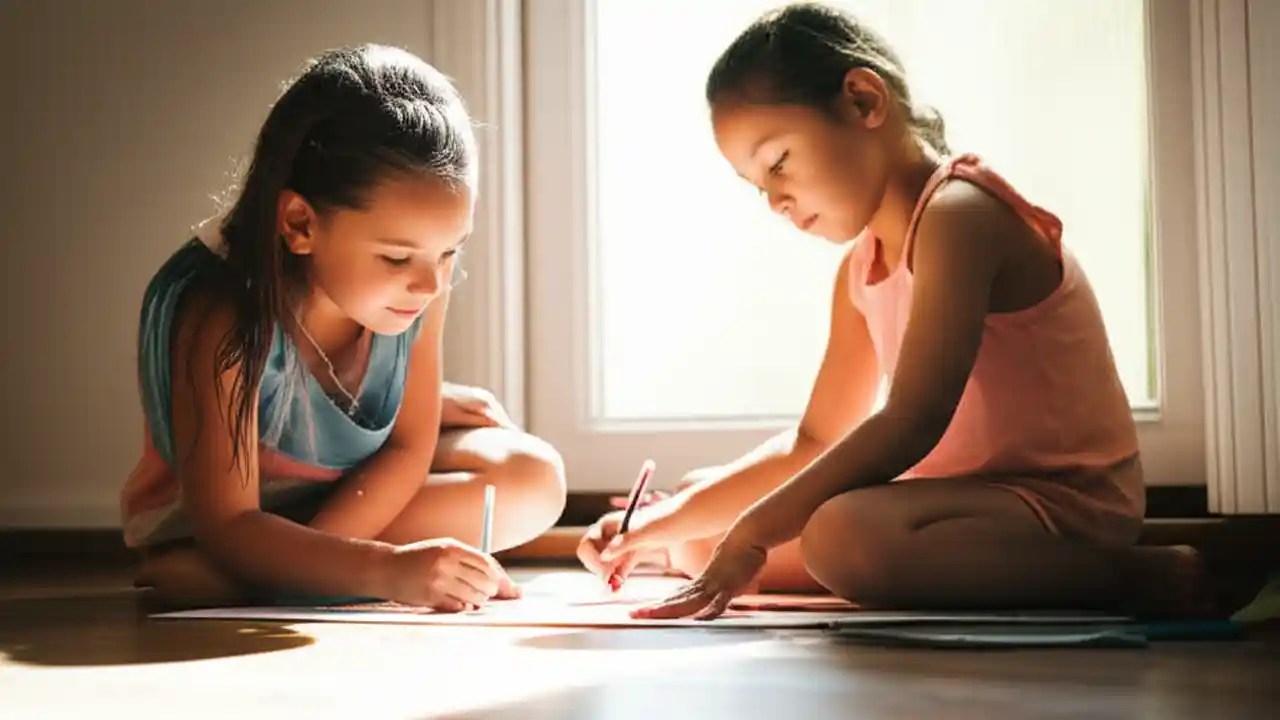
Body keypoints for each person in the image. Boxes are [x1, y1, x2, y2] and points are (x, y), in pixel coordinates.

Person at [579, 3, 1203, 620]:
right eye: (758, 185)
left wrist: (751, 533)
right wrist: (657, 525)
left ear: (862, 101)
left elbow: (913, 420)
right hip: (952, 505)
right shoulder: (860, 267)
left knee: (836, 535)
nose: (774, 200)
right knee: (694, 535)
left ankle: (1133, 572)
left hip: (1053, 503)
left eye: (778, 162)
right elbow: (817, 440)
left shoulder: (962, 215)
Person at [122, 44, 565, 611]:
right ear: (300, 223)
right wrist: (387, 572)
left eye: (450, 252)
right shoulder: (222, 315)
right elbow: (229, 518)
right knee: (206, 562)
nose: (431, 285)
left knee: (534, 477)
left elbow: (409, 446)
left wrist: (355, 558)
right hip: (238, 514)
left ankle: (277, 571)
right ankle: (279, 567)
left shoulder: (422, 285)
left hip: (343, 493)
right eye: (397, 258)